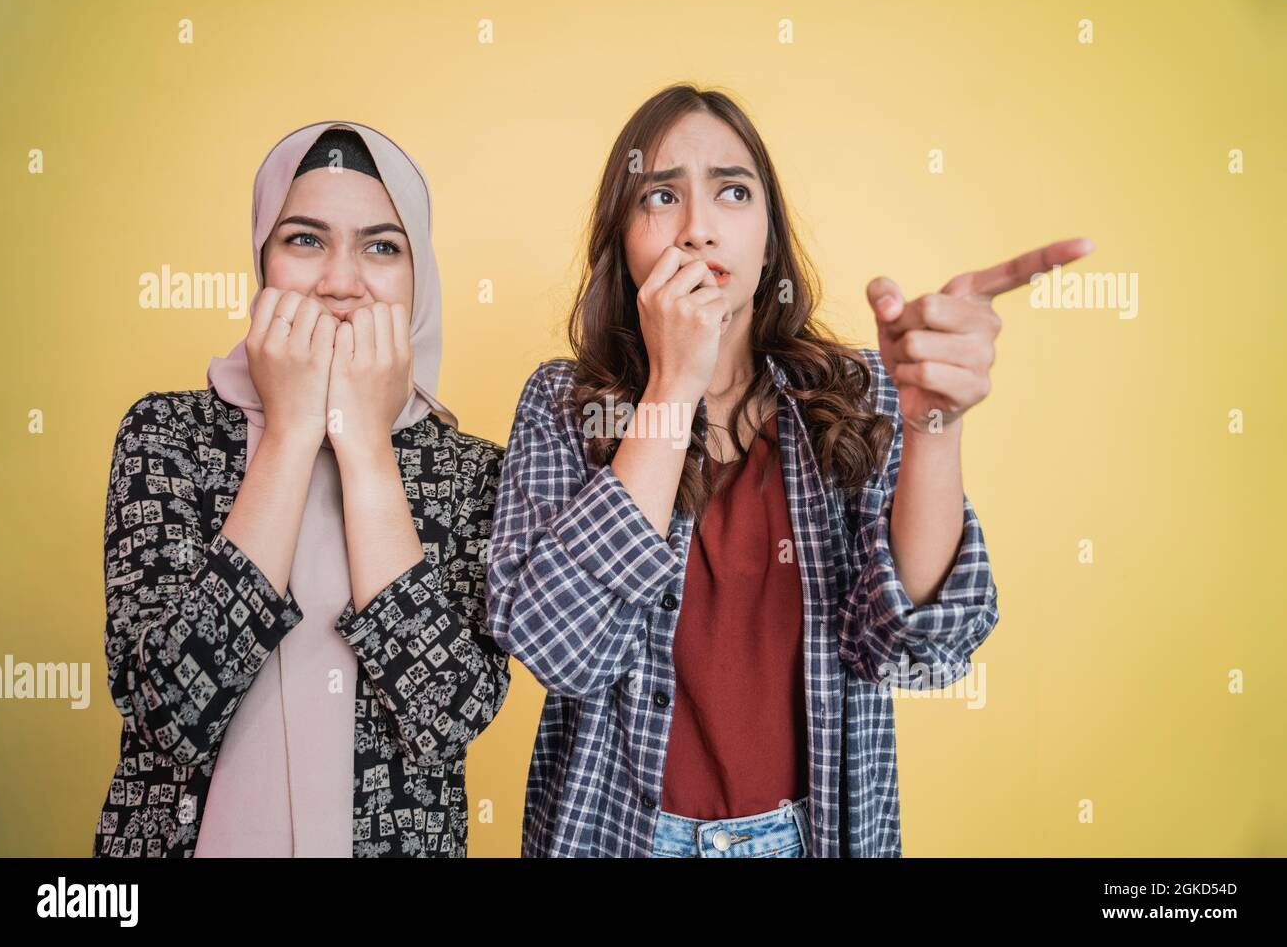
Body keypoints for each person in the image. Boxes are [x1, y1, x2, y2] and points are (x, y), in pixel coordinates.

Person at [487, 83, 1091, 857]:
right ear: (623, 241)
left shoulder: (857, 394)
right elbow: (562, 649)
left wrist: (933, 427)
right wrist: (674, 384)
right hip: (618, 838)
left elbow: (920, 649)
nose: (699, 230)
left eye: (732, 192)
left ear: (767, 239)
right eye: (661, 197)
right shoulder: (563, 403)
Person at [93, 122, 509, 857]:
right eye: (305, 240)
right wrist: (287, 435)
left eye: (382, 246)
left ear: (420, 277)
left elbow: (444, 718)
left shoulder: (470, 470)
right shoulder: (166, 435)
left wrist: (367, 444)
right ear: (261, 260)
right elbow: (171, 715)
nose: (340, 282)